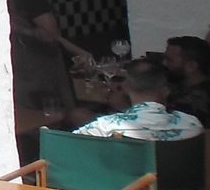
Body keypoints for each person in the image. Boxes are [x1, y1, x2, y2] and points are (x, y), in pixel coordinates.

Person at [74, 58, 205, 140]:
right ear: (166, 90)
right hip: (177, 177)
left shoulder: (105, 127)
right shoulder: (192, 125)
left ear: (126, 87)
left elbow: (68, 149)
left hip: (127, 178)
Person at [164, 35, 210, 122]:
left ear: (191, 66)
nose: (164, 63)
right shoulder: (177, 85)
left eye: (169, 60)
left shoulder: (197, 100)